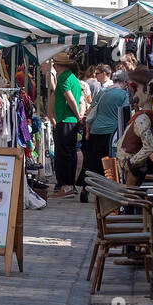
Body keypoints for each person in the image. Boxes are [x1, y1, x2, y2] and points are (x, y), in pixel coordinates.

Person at [80, 71, 131, 199]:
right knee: (109, 162)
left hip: (95, 129)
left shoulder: (103, 91)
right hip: (112, 132)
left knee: (92, 161)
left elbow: (91, 109)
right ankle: (106, 191)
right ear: (125, 82)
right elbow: (126, 114)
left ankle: (85, 189)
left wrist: (87, 129)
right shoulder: (124, 95)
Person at [48, 50, 82, 197]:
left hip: (66, 120)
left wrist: (77, 115)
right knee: (70, 153)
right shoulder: (73, 77)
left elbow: (70, 98)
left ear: (57, 65)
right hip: (70, 120)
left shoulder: (63, 77)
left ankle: (66, 186)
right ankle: (70, 185)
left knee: (63, 154)